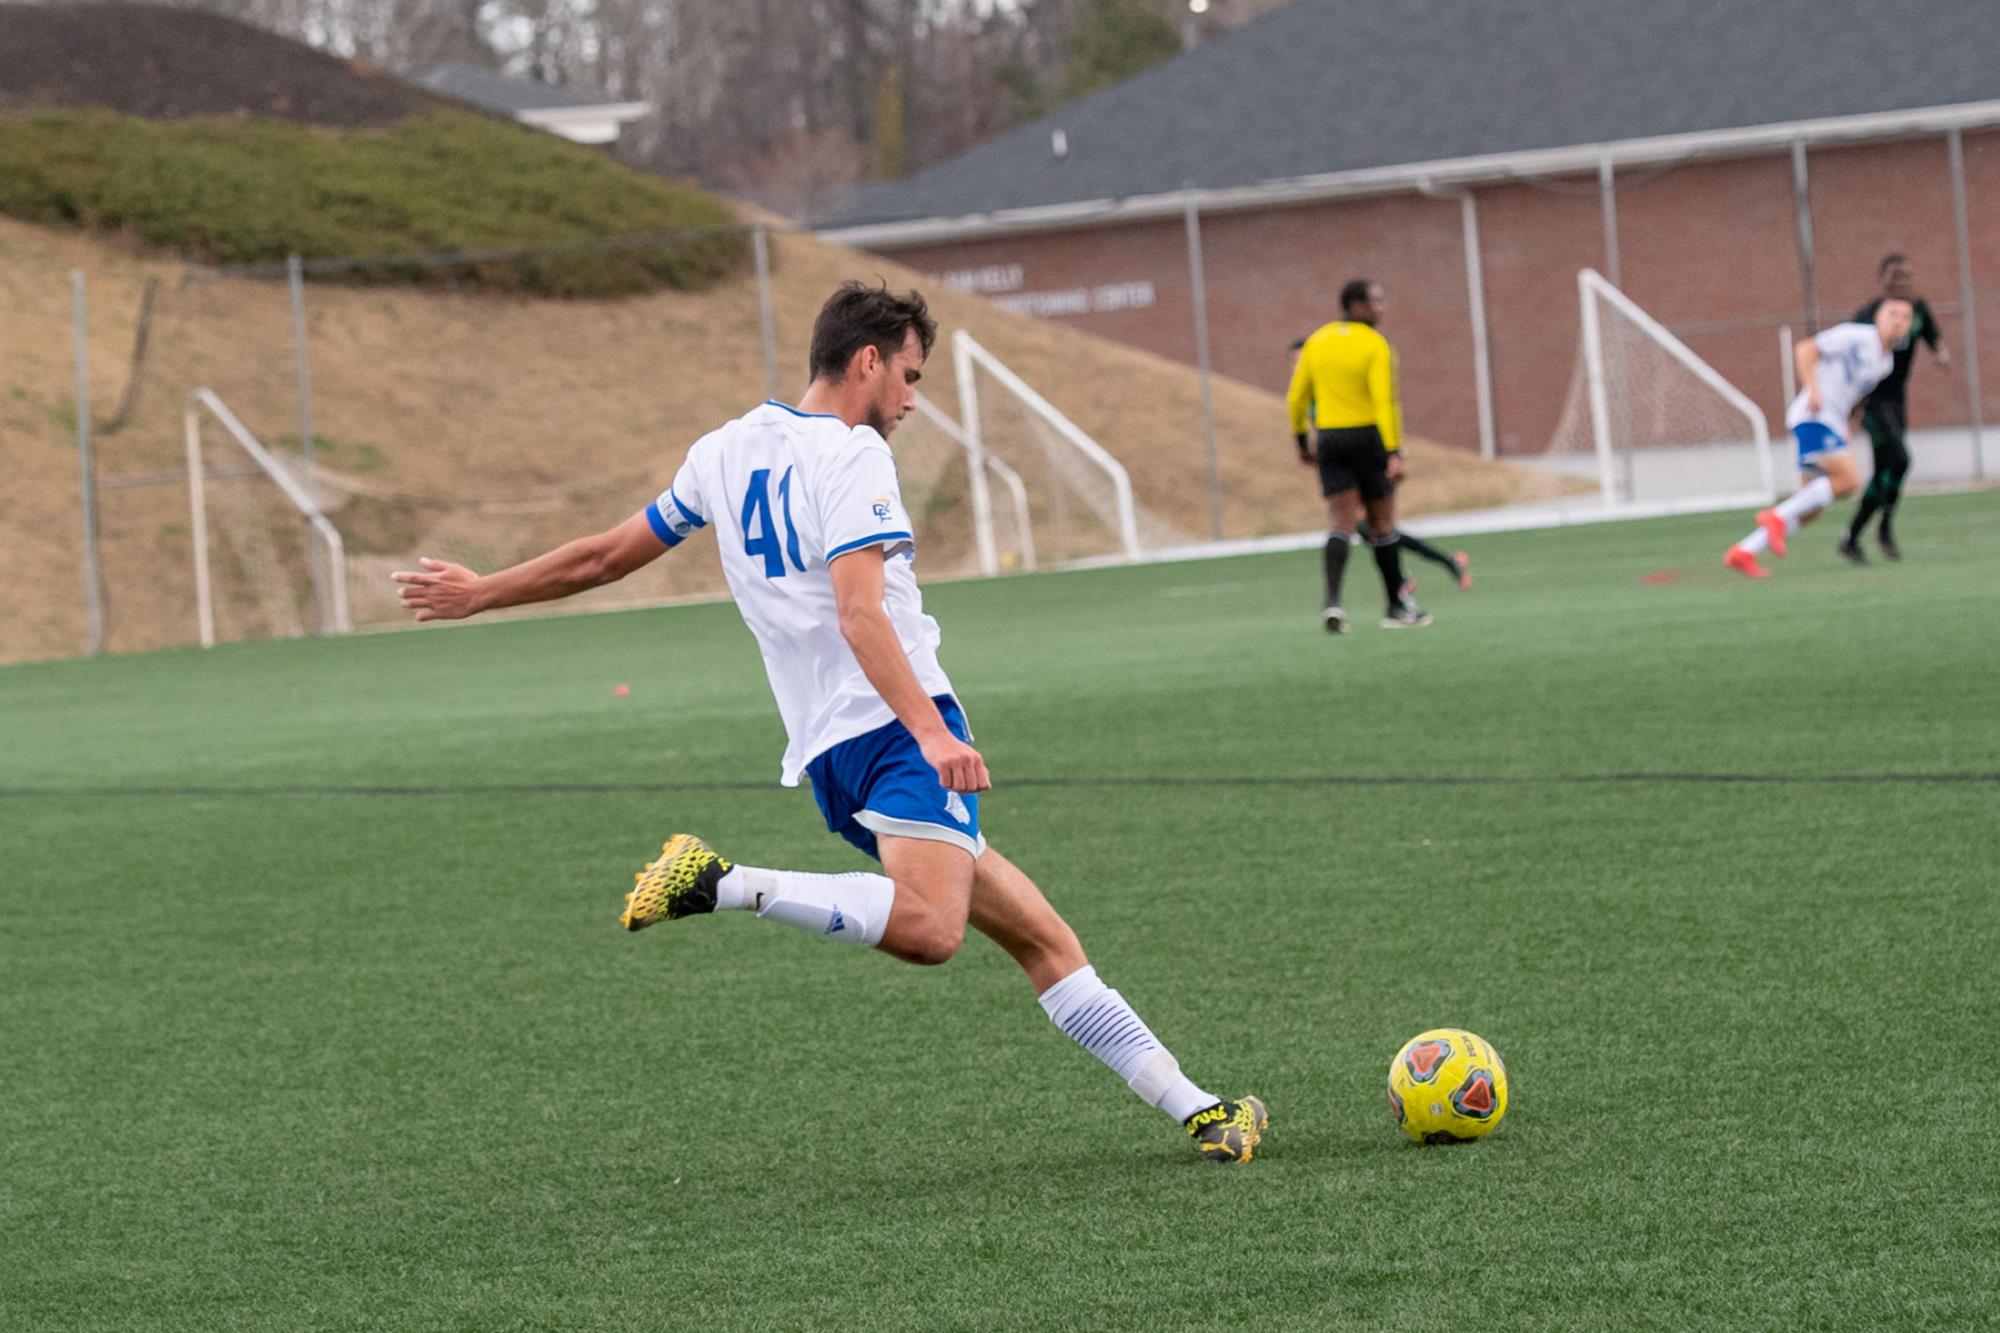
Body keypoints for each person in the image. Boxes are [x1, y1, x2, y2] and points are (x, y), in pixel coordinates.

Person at [392, 282, 1269, 1164]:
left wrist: (482, 592)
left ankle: (1200, 1110)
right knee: (932, 930)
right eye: (911, 377)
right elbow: (860, 613)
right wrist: (931, 732)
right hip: (892, 728)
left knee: (1041, 936)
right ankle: (723, 880)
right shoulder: (852, 454)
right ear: (868, 360)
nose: (913, 403)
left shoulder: (722, 450)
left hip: (828, 754)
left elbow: (607, 555)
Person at [1724, 298, 1914, 579]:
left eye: (1906, 316)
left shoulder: (1885, 362)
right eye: (1892, 314)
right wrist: (1813, 390)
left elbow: (1853, 394)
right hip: (1813, 416)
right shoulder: (1857, 336)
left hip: (1831, 423)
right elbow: (1806, 349)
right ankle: (1775, 516)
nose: (1899, 320)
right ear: (1878, 317)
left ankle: (1745, 551)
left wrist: (1845, 425)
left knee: (1812, 508)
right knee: (1849, 482)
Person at [1287, 279, 1432, 632]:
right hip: (1368, 436)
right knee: (1382, 524)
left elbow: (1296, 398)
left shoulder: (1317, 341)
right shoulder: (1376, 345)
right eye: (1376, 302)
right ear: (1356, 305)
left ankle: (1333, 604)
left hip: (1330, 438)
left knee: (1340, 522)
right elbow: (1385, 400)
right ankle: (1396, 607)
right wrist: (1393, 451)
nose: (1381, 308)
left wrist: (1302, 439)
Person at [1288, 335, 1471, 596]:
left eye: (1299, 361)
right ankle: (1430, 568)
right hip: (1346, 463)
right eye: (1293, 363)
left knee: (1372, 526)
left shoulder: (1330, 388)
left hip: (1368, 458)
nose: (1296, 367)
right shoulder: (1311, 393)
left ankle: (1420, 572)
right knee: (1371, 528)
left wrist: (1390, 451)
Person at [1839, 254, 1952, 563]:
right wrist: (1850, 404)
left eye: (1906, 276)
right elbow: (1850, 354)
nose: (1902, 282)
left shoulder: (1918, 310)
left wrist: (1941, 353)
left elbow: (1933, 337)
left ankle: (1852, 538)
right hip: (1873, 401)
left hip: (1897, 400)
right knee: (1900, 459)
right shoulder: (1870, 314)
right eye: (1895, 277)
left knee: (1885, 471)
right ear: (1883, 280)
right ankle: (1884, 528)